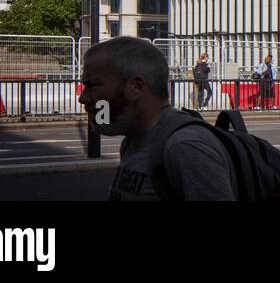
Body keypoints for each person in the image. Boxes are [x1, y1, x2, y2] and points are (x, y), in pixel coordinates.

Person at [79, 36, 235, 201]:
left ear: (136, 86)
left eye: (92, 86)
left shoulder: (184, 147)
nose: (83, 98)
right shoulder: (132, 141)